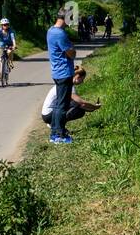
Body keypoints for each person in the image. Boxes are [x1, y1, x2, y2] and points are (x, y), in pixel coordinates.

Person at [46, 9, 77, 143]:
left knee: (59, 103)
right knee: (62, 105)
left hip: (57, 72)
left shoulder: (51, 30)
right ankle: (58, 135)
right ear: (65, 18)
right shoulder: (60, 34)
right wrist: (72, 48)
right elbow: (72, 53)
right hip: (64, 72)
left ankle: (55, 130)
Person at [40, 65, 100, 132]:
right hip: (49, 115)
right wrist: (95, 107)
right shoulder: (68, 86)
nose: (82, 82)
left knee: (76, 105)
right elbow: (81, 103)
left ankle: (56, 124)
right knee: (79, 111)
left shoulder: (65, 83)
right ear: (77, 77)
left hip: (47, 114)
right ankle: (56, 125)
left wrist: (90, 108)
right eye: (82, 79)